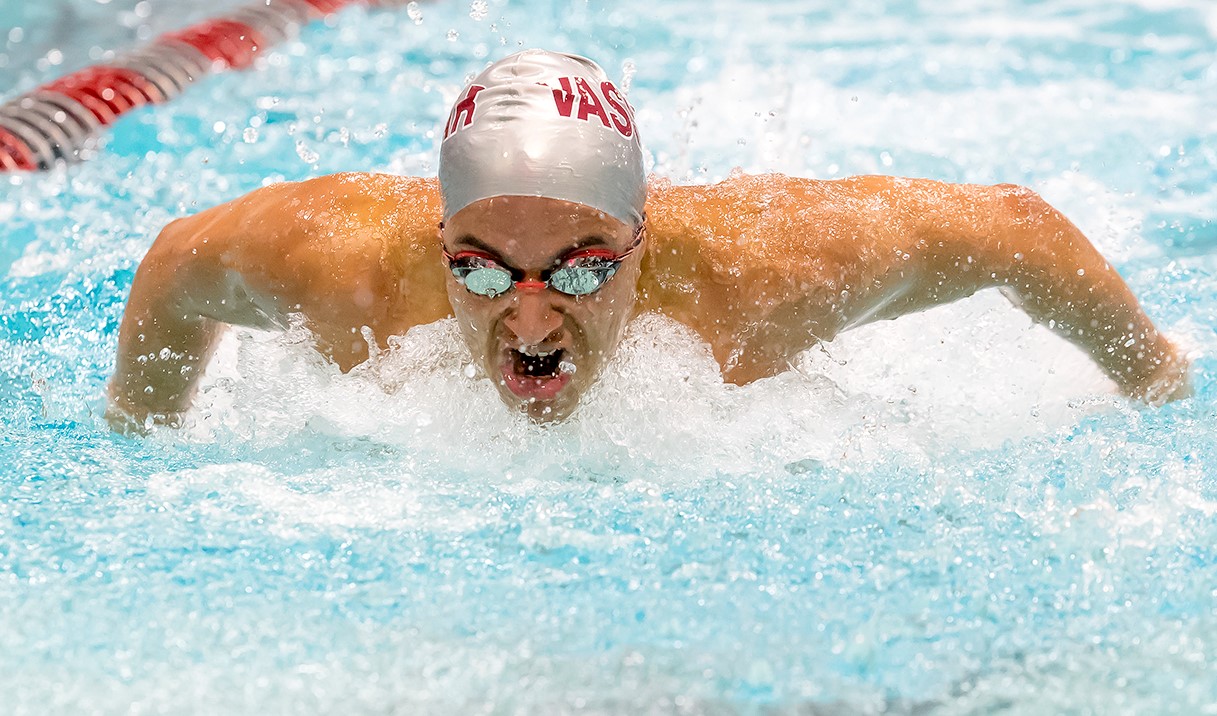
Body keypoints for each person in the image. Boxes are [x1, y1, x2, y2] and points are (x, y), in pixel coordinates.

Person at [106, 49, 1190, 428]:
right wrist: (139, 442)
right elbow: (166, 265)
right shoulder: (338, 266)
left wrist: (1157, 383)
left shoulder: (759, 283)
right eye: (480, 266)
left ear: (640, 236)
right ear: (438, 237)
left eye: (579, 265)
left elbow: (1014, 228)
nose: (528, 316)